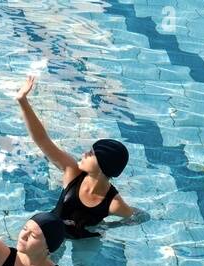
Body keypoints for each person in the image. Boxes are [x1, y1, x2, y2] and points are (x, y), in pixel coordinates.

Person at [15, 75, 139, 238]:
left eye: (92, 154)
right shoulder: (72, 172)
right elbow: (42, 140)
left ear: (103, 167)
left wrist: (105, 228)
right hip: (51, 235)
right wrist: (22, 101)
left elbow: (136, 217)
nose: (85, 153)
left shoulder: (113, 203)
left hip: (85, 241)